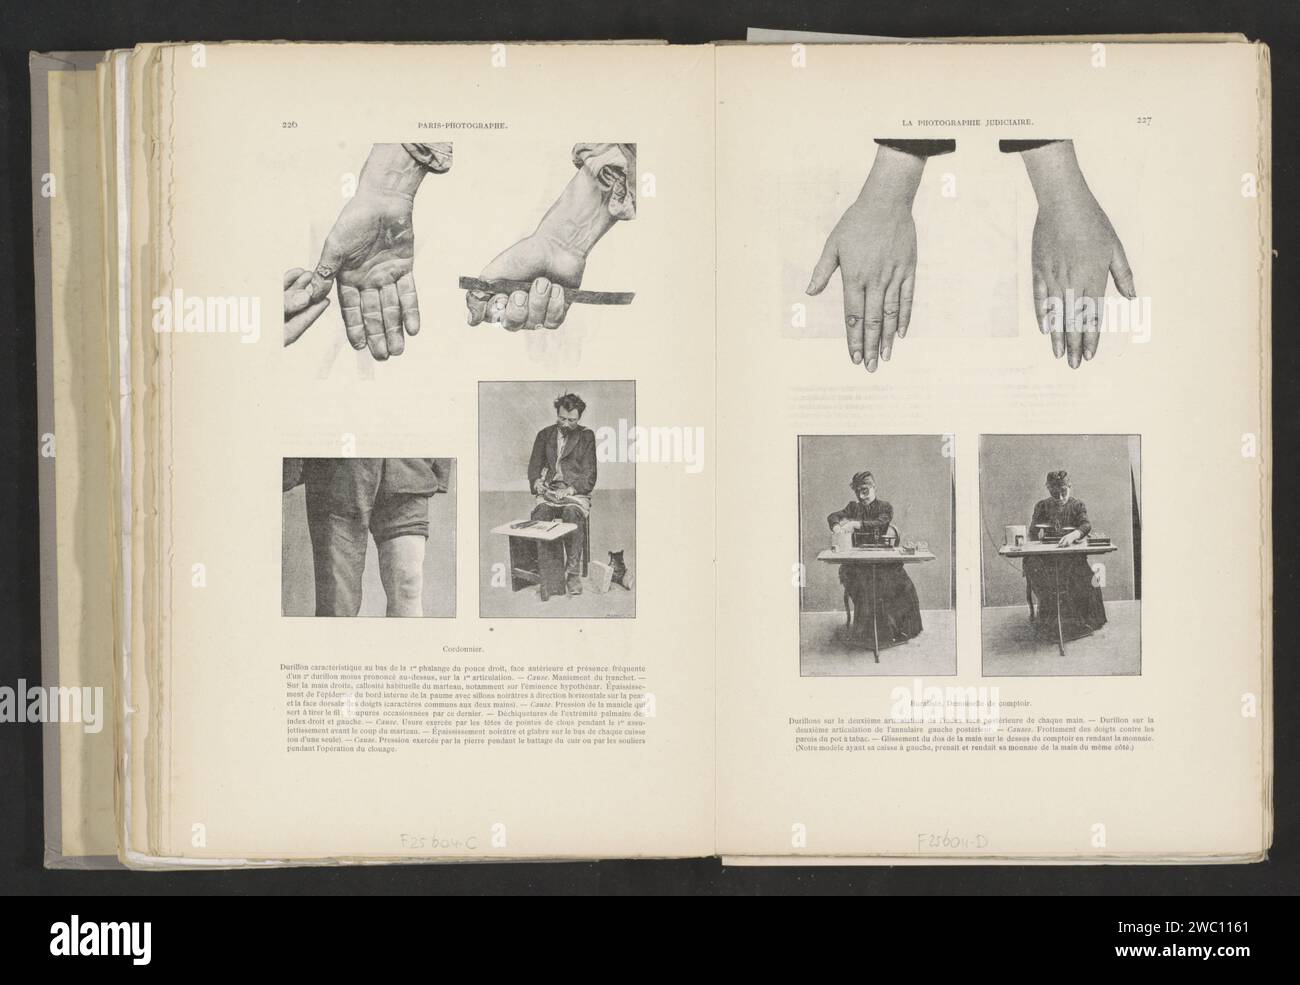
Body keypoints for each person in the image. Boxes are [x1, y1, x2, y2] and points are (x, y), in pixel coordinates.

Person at [284, 458, 449, 617]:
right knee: (337, 605)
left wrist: (439, 462)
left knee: (408, 587)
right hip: (340, 471)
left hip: (409, 467)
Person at [827, 470, 923, 645]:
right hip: (857, 565)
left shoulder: (885, 507)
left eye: (865, 491)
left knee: (903, 585)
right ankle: (869, 636)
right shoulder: (852, 507)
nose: (861, 496)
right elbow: (833, 516)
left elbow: (881, 523)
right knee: (866, 587)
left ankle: (899, 631)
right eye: (858, 492)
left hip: (884, 564)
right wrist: (836, 527)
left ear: (874, 488)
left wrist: (856, 523)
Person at [528, 393, 597, 597]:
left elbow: (590, 474)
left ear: (579, 418)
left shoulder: (587, 437)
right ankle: (549, 573)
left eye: (571, 420)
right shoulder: (544, 435)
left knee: (572, 515)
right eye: (562, 418)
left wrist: (571, 489)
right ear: (557, 414)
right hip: (550, 491)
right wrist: (536, 482)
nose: (565, 424)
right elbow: (534, 467)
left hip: (575, 492)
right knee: (539, 515)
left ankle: (573, 573)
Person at [1023, 469, 1107, 638]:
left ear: (1070, 486)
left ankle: (1081, 623)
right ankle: (1051, 623)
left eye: (1063, 493)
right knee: (1037, 571)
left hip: (1072, 557)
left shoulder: (1077, 505)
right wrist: (1037, 538)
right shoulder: (1041, 506)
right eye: (1055, 494)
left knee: (1084, 578)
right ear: (1048, 490)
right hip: (1046, 558)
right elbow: (1032, 531)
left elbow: (1086, 525)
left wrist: (1074, 534)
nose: (1060, 499)